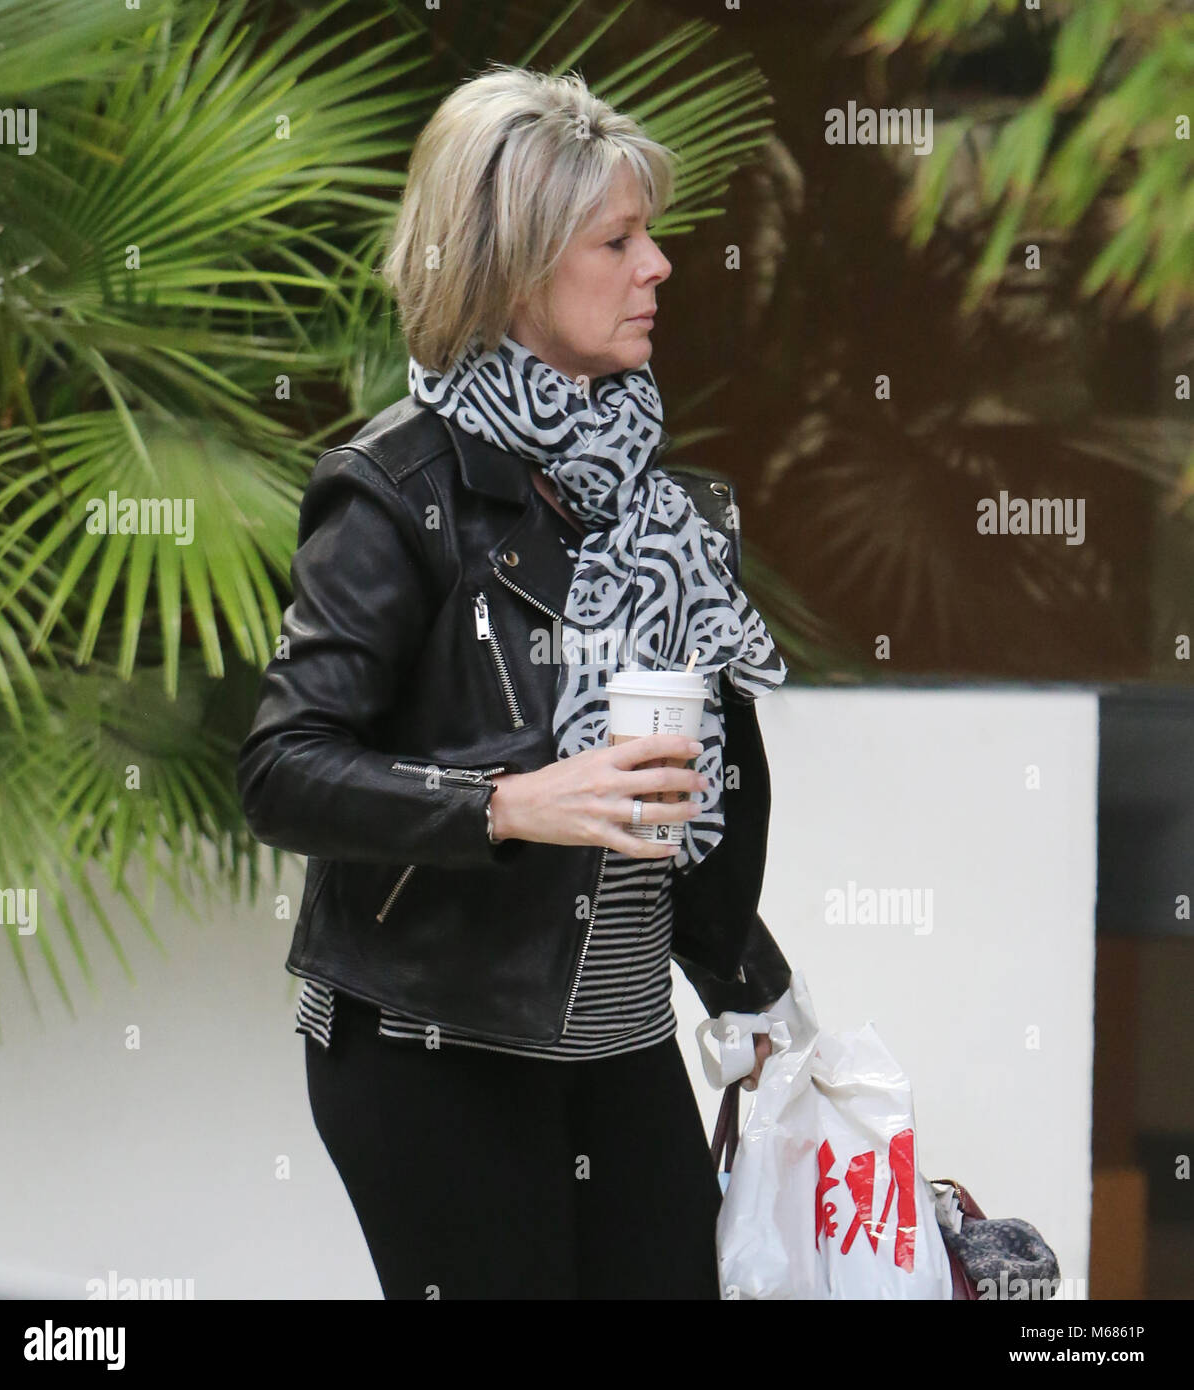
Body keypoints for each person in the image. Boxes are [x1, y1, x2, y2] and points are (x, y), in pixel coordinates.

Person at [237, 62, 790, 1300]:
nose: (658, 267)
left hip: (617, 1034)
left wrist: (754, 998)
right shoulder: (395, 491)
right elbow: (283, 770)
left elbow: (676, 811)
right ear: (511, 268)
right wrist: (505, 800)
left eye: (649, 234)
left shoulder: (666, 512)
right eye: (618, 239)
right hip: (433, 1044)